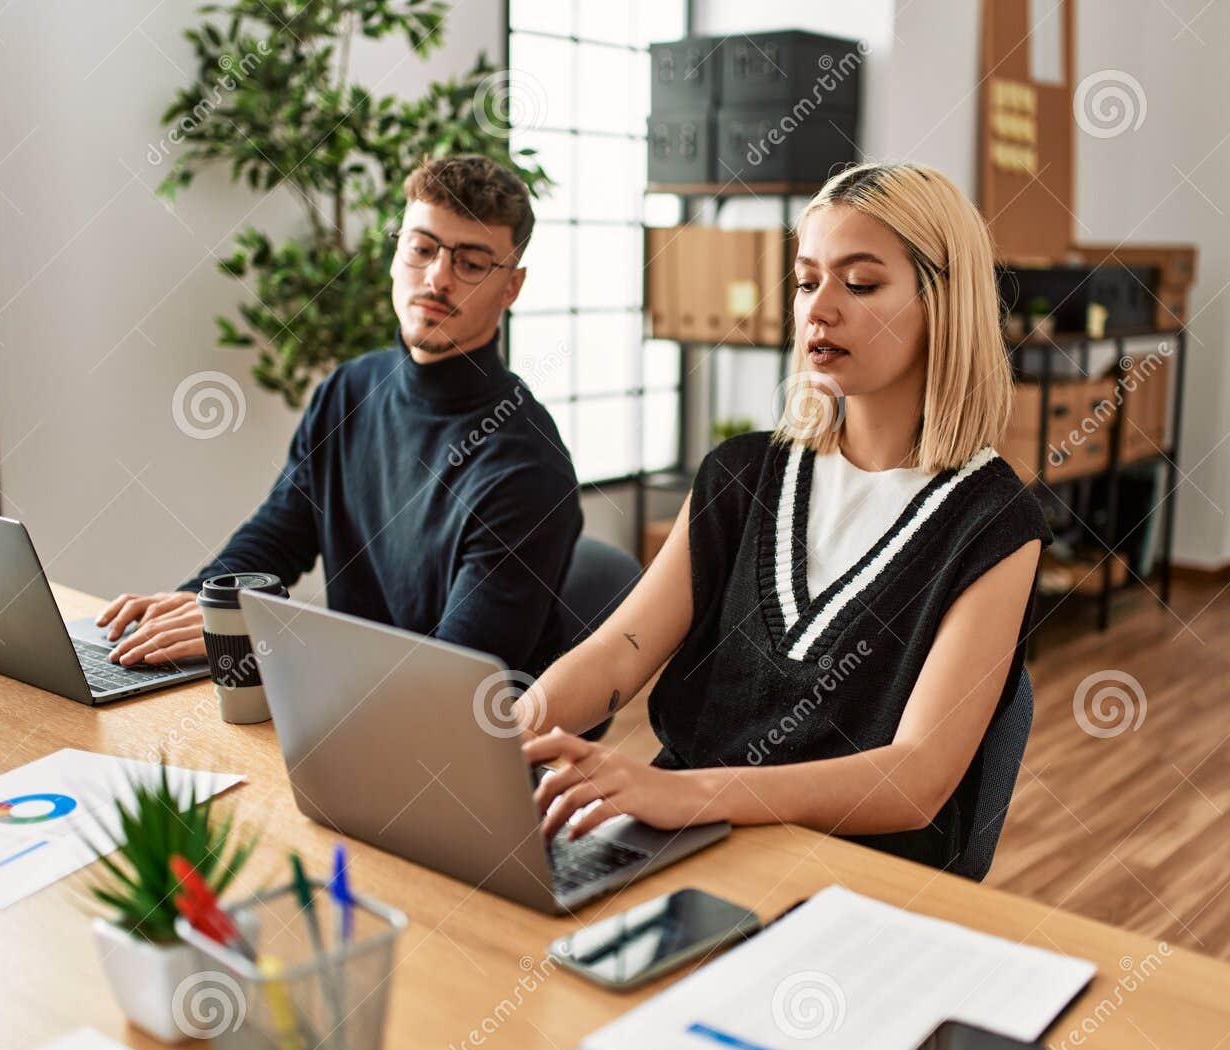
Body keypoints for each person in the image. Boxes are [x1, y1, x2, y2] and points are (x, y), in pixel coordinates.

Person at [518, 161, 1053, 871]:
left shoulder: (993, 520)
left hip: (852, 872)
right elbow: (622, 649)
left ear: (943, 304)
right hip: (681, 838)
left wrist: (691, 795)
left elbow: (916, 778)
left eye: (860, 284)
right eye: (806, 281)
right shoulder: (741, 475)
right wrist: (509, 731)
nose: (818, 310)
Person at [97, 155, 582, 676]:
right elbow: (278, 536)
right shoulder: (349, 390)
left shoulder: (528, 467)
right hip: (337, 697)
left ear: (511, 287)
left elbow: (449, 676)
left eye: (471, 263)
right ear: (396, 253)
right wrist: (201, 603)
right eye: (422, 249)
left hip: (444, 722)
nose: (437, 277)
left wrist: (260, 640)